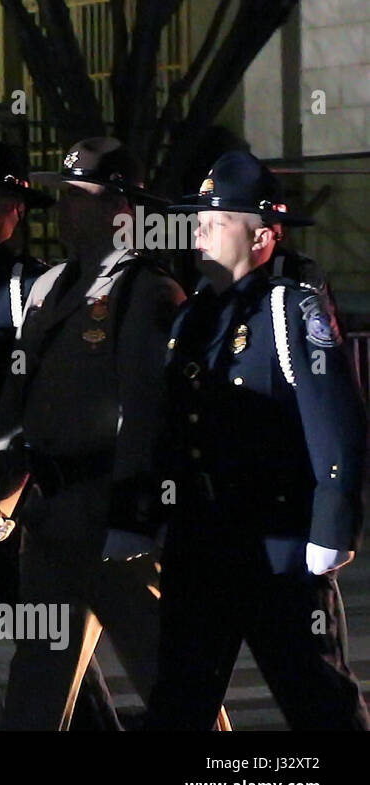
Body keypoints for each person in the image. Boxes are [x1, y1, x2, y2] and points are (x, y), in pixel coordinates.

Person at [145, 150, 370, 730]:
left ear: (264, 234)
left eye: (216, 220)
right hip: (201, 541)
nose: (199, 230)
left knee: (318, 699)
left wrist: (332, 523)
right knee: (179, 702)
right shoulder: (195, 315)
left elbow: (336, 419)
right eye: (198, 218)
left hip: (277, 547)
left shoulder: (290, 305)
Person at [0, 137, 185, 730]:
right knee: (37, 681)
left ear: (122, 207)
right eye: (64, 194)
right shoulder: (48, 287)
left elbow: (146, 414)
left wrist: (134, 514)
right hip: (48, 513)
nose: (64, 207)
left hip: (107, 513)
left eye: (80, 196)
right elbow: (16, 400)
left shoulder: (145, 291)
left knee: (168, 681)